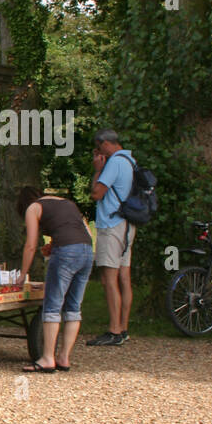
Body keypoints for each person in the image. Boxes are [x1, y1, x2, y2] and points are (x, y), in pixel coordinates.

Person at [17, 186, 93, 372]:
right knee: (74, 307)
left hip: (66, 254)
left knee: (52, 305)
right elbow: (88, 233)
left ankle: (47, 358)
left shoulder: (33, 208)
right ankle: (64, 357)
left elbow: (31, 245)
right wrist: (56, 245)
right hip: (87, 252)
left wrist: (22, 275)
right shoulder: (68, 203)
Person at [88, 129, 135, 345]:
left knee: (109, 278)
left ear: (105, 144)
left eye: (98, 149)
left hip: (111, 224)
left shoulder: (114, 162)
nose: (98, 153)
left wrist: (98, 170)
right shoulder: (130, 160)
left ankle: (114, 330)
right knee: (124, 277)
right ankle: (123, 328)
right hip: (127, 224)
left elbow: (97, 193)